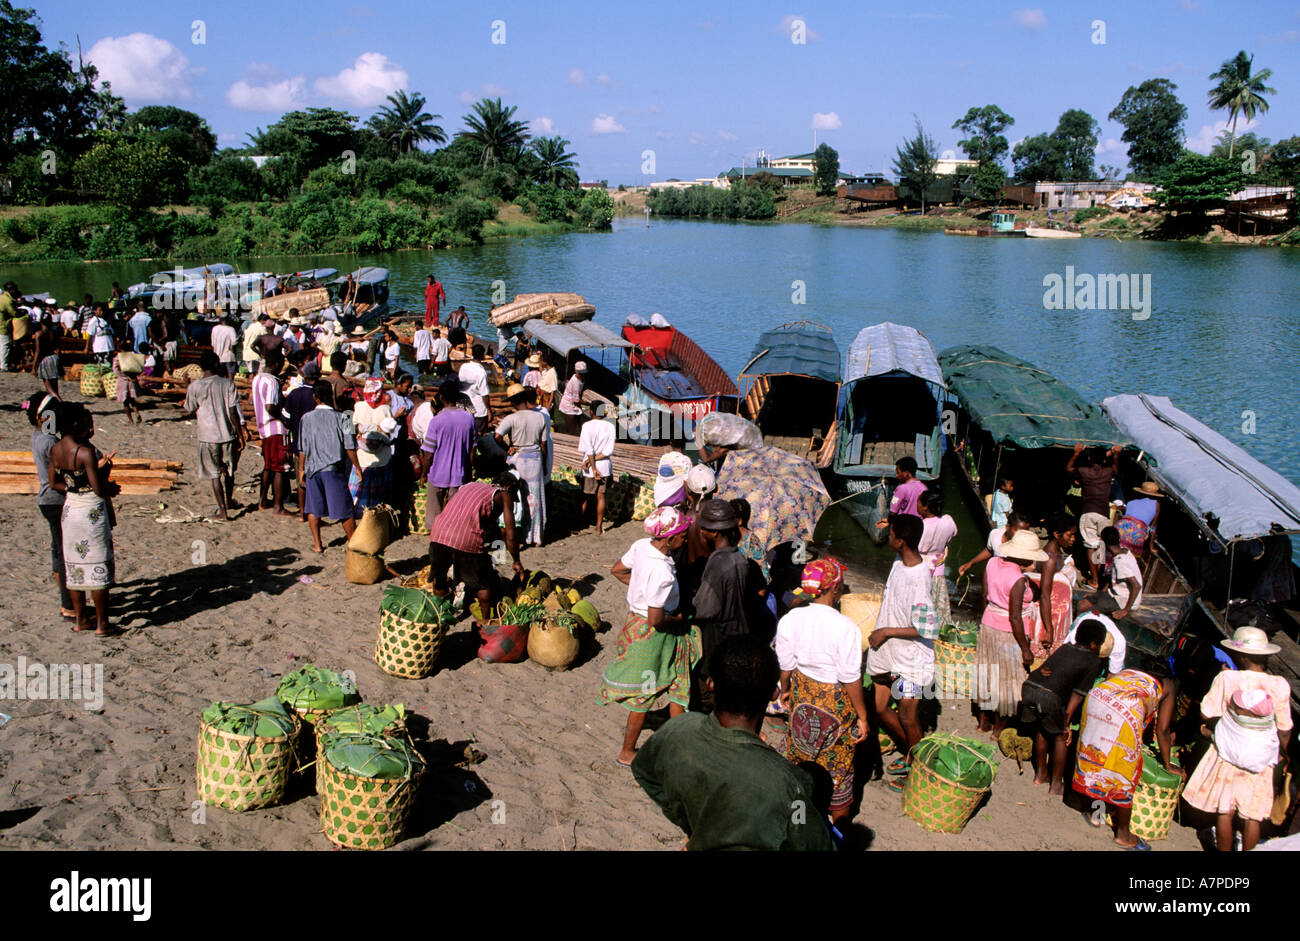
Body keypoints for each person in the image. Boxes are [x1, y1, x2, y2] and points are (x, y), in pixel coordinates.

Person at [631, 634, 835, 851]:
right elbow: (812, 842)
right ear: (773, 694)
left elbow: (644, 771)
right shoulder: (791, 786)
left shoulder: (676, 730)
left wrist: (691, 824)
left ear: (710, 684)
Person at [600, 506, 701, 765]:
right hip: (653, 632)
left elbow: (617, 570)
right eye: (682, 535)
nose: (686, 539)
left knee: (679, 680)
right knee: (644, 694)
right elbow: (656, 619)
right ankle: (627, 751)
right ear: (669, 539)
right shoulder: (662, 572)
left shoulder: (642, 546)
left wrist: (639, 590)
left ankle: (679, 742)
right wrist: (675, 618)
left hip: (636, 622)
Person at [1183, 627, 1293, 852]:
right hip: (1261, 758)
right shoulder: (1280, 684)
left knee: (1226, 810)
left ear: (1241, 656)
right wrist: (1284, 753)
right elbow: (1284, 729)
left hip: (1230, 753)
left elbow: (1207, 712)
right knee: (1252, 815)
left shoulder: (1227, 678)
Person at [776, 557, 868, 822]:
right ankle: (836, 833)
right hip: (834, 701)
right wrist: (862, 715)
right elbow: (850, 678)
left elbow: (786, 665)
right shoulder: (846, 627)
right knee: (838, 770)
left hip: (803, 695)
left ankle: (798, 820)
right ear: (835, 589)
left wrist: (785, 689)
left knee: (801, 756)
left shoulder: (791, 619)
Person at [1073, 662, 1179, 850]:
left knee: (1098, 755)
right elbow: (1163, 730)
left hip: (1098, 696)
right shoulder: (1168, 685)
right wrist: (1168, 764)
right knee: (1124, 769)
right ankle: (1123, 834)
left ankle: (1095, 814)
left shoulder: (1130, 670)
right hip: (1127, 709)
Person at [866, 514, 936, 790]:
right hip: (887, 650)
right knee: (881, 708)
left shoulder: (919, 580)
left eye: (892, 533)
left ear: (901, 541)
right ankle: (911, 751)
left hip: (911, 657)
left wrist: (886, 631)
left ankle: (917, 771)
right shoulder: (899, 562)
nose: (888, 537)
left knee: (908, 716)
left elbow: (926, 629)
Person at [48, 403, 119, 636]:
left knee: (74, 566)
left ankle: (81, 620)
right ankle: (102, 623)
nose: (91, 429)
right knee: (98, 565)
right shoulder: (85, 452)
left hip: (70, 511)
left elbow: (54, 483)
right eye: (88, 424)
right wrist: (109, 482)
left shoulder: (56, 450)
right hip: (91, 512)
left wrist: (72, 488)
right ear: (76, 425)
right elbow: (98, 489)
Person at [1019, 617, 1108, 794]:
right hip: (1049, 697)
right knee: (1060, 736)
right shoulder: (1094, 661)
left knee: (1042, 729)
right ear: (1093, 644)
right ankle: (1056, 784)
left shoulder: (1066, 648)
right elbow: (1078, 693)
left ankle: (1040, 775)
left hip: (1029, 688)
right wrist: (1066, 720)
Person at [976, 529, 1047, 733]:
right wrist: (1025, 649)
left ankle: (983, 722)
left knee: (988, 673)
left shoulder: (991, 563)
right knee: (1007, 681)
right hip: (1009, 634)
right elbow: (1015, 616)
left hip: (989, 625)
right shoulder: (1018, 579)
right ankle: (999, 730)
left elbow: (984, 593)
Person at [426, 471, 525, 617]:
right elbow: (510, 535)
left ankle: (438, 618)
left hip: (439, 533)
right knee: (483, 583)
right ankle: (486, 623)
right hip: (466, 539)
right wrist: (516, 560)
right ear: (509, 487)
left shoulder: (471, 485)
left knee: (439, 578)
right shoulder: (504, 494)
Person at [690, 499, 758, 710]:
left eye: (705, 529)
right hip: (738, 631)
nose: (701, 532)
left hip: (718, 635)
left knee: (708, 691)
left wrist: (688, 608)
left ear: (715, 533)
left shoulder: (718, 563)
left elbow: (705, 608)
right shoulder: (740, 559)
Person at [298, 380, 361, 553]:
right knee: (345, 510)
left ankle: (318, 544)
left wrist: (301, 469)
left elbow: (302, 448)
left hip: (312, 469)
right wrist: (357, 467)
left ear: (315, 398)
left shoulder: (305, 418)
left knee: (313, 508)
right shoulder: (345, 417)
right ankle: (352, 543)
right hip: (333, 469)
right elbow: (350, 447)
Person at [182, 350, 245, 521]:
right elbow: (233, 412)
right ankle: (230, 499)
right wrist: (240, 434)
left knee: (214, 474)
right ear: (217, 364)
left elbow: (189, 408)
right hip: (227, 434)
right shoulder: (227, 384)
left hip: (208, 435)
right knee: (230, 471)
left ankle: (222, 509)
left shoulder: (195, 386)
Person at [28, 394, 74, 619]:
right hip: (56, 499)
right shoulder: (51, 442)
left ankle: (64, 593)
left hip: (47, 499)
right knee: (65, 552)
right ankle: (68, 603)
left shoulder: (39, 436)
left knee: (57, 549)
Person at [493, 382, 549, 547]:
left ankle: (519, 534)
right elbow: (543, 444)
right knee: (536, 496)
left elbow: (497, 436)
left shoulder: (511, 418)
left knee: (518, 497)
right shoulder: (540, 417)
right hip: (536, 458)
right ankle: (535, 536)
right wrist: (544, 464)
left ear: (512, 402)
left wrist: (508, 448)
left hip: (518, 458)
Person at [419, 378, 478, 531]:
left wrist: (423, 474)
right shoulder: (469, 419)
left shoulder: (437, 421)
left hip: (438, 474)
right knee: (455, 516)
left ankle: (436, 540)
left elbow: (429, 454)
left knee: (434, 516)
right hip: (460, 474)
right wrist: (469, 472)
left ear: (441, 398)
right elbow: (473, 451)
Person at [1068, 442, 1122, 587]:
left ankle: (1095, 580)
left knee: (1090, 546)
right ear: (1105, 459)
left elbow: (1069, 468)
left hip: (1088, 512)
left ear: (1090, 458)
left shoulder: (1084, 471)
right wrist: (1115, 455)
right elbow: (1116, 470)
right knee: (1100, 545)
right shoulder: (1108, 471)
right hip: (1103, 513)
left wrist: (1076, 453)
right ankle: (1099, 579)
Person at [251, 350, 293, 516]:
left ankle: (262, 500)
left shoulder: (257, 379)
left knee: (269, 465)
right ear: (276, 364)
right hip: (275, 427)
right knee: (280, 468)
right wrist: (283, 418)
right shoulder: (272, 381)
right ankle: (278, 506)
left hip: (264, 427)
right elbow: (270, 406)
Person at [1077, 525, 1144, 622]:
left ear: (1104, 543)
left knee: (1083, 608)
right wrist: (1098, 595)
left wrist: (1125, 610)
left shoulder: (1120, 561)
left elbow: (1136, 586)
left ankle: (1077, 629)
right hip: (1115, 594)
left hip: (1122, 600)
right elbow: (1113, 578)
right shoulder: (1124, 551)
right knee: (1083, 603)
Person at [350, 378, 394, 511]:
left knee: (359, 490)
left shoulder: (358, 407)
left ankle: (358, 512)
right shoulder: (385, 409)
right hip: (381, 458)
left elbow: (355, 429)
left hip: (363, 458)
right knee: (379, 495)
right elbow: (389, 433)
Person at [285, 361, 321, 520]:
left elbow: (285, 417)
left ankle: (302, 512)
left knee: (301, 478)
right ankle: (314, 511)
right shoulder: (320, 395)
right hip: (318, 444)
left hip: (298, 442)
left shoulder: (294, 394)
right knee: (315, 479)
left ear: (304, 376)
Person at [917, 490, 957, 625]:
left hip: (922, 568)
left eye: (918, 502)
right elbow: (953, 534)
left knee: (921, 602)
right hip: (938, 569)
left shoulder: (921, 525)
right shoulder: (948, 520)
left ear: (925, 507)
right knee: (936, 603)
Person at [578, 402, 617, 533]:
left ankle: (580, 522)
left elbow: (588, 449)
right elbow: (608, 451)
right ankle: (598, 526)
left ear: (591, 412)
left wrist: (591, 466)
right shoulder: (610, 426)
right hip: (604, 466)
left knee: (586, 495)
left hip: (590, 467)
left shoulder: (587, 426)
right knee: (601, 496)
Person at [957, 510, 1030, 577]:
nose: (1022, 534)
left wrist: (1024, 569)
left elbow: (1031, 565)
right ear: (1007, 527)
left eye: (1025, 532)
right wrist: (970, 563)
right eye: (1018, 531)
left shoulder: (1026, 544)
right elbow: (990, 550)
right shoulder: (995, 534)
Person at [1117, 481, 1162, 558]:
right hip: (1137, 532)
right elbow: (1153, 527)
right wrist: (1151, 547)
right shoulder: (1156, 504)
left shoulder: (1130, 502)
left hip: (1120, 528)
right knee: (1130, 559)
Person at [457, 344, 490, 432]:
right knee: (479, 434)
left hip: (463, 406)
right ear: (483, 355)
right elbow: (485, 395)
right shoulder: (481, 372)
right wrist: (489, 410)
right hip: (478, 409)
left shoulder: (463, 367)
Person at [110, 338, 143, 426]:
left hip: (123, 382)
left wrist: (125, 377)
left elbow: (115, 370)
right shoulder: (132, 356)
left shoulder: (118, 357)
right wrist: (132, 377)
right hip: (132, 381)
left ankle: (131, 421)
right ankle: (137, 413)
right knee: (132, 400)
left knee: (125, 402)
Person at [31, 318, 61, 399]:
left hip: (45, 360)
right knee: (55, 386)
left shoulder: (39, 334)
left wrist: (34, 366)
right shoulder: (53, 333)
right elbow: (58, 348)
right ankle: (57, 404)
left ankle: (60, 403)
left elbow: (38, 351)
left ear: (41, 323)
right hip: (54, 358)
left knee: (49, 387)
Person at [556, 360, 587, 435]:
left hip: (574, 402)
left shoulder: (580, 379)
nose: (582, 375)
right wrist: (588, 403)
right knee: (572, 430)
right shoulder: (574, 382)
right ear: (576, 371)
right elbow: (576, 400)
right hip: (568, 405)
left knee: (580, 424)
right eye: (580, 373)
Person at [0, 280, 19, 372]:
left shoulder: (1, 297)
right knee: (5, 346)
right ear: (11, 290)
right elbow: (14, 313)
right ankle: (4, 366)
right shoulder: (8, 300)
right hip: (3, 326)